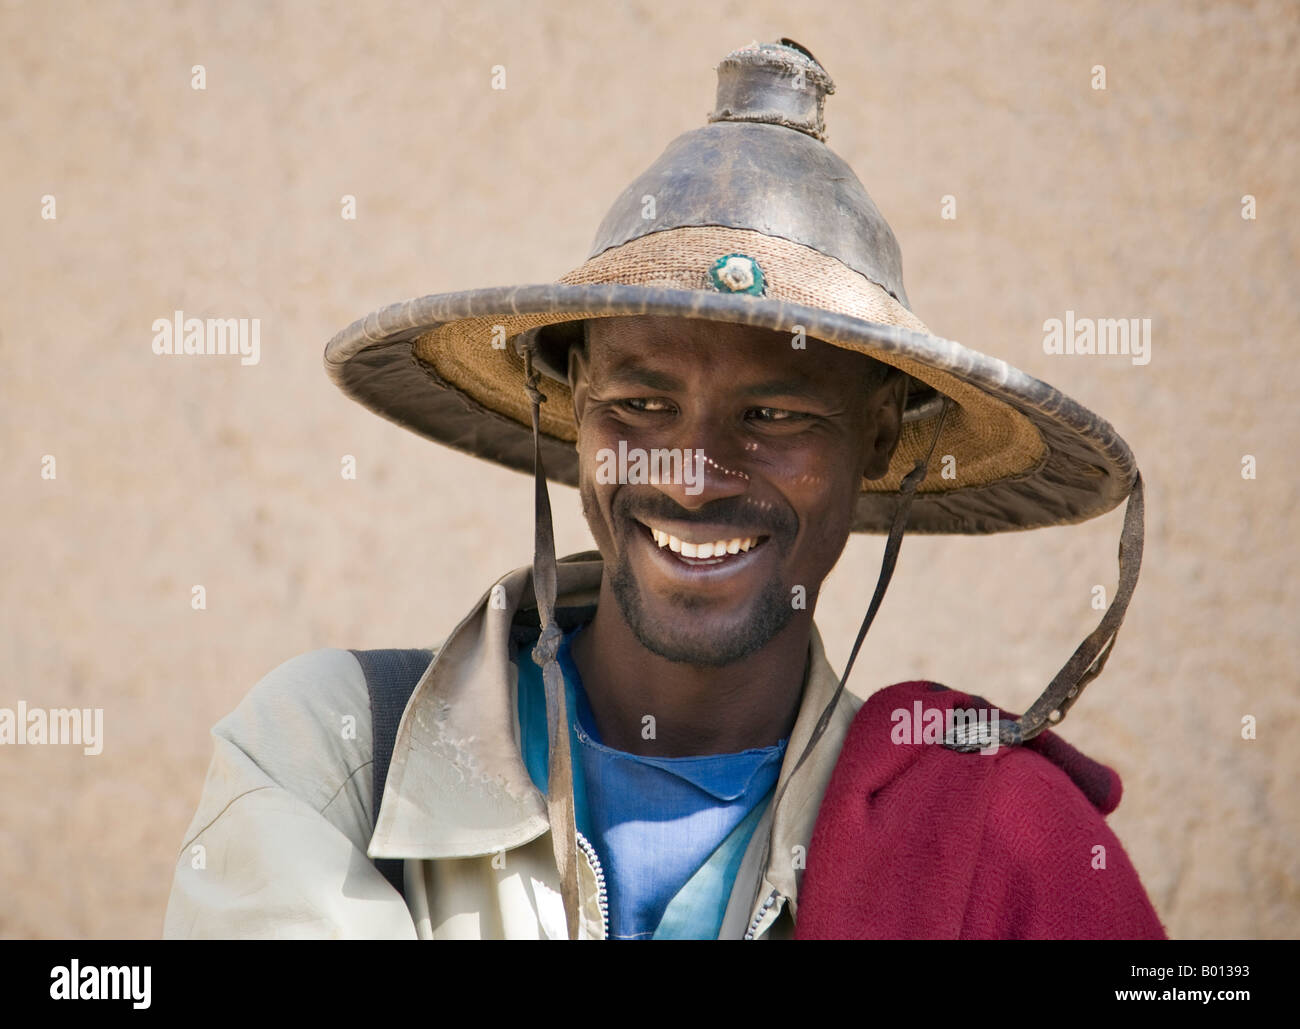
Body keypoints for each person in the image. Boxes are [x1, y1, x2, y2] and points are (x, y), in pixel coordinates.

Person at [164, 38, 1165, 940]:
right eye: (640, 403)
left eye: (775, 418)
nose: (690, 478)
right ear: (569, 409)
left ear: (878, 443)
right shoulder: (336, 751)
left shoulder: (995, 845)